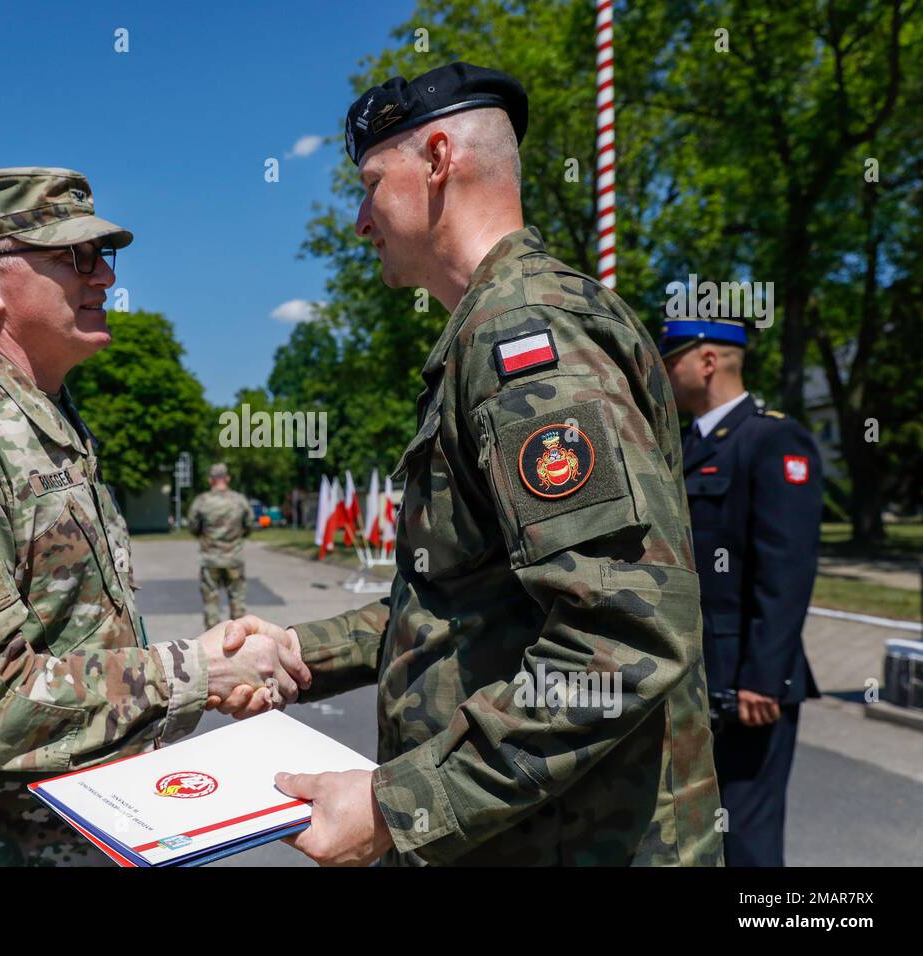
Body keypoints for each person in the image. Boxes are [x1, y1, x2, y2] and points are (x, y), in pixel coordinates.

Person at [217, 62, 724, 866]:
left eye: (371, 185)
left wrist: (400, 808)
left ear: (439, 159)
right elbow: (466, 603)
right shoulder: (493, 328)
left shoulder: (526, 335)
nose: (359, 221)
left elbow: (624, 635)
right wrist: (298, 652)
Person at [0, 166, 308, 866]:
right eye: (71, 258)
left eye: (100, 257)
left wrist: (211, 666)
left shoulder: (46, 425)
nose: (103, 280)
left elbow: (72, 642)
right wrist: (194, 672)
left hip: (61, 832)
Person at [660, 316, 822, 867]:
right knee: (694, 836)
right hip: (693, 675)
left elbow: (786, 570)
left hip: (747, 685)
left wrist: (762, 678)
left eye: (669, 358)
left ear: (707, 361)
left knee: (748, 842)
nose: (662, 371)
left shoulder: (774, 439)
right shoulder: (684, 446)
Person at [187, 462, 255, 628]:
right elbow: (249, 525)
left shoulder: (202, 501)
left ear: (211, 480)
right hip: (234, 559)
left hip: (210, 560)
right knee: (238, 604)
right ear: (228, 479)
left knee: (211, 604)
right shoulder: (240, 501)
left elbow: (193, 527)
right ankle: (239, 642)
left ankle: (212, 642)